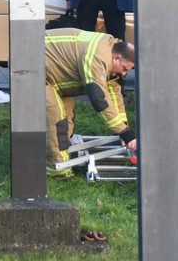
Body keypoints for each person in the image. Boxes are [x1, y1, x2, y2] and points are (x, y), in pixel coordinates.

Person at [41, 28, 137, 178]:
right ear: (116, 58)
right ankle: (58, 172)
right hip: (33, 67)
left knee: (67, 120)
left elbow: (115, 97)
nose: (124, 73)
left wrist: (124, 129)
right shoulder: (97, 57)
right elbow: (100, 99)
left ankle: (57, 156)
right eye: (125, 69)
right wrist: (125, 133)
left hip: (54, 74)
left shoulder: (110, 52)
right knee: (57, 119)